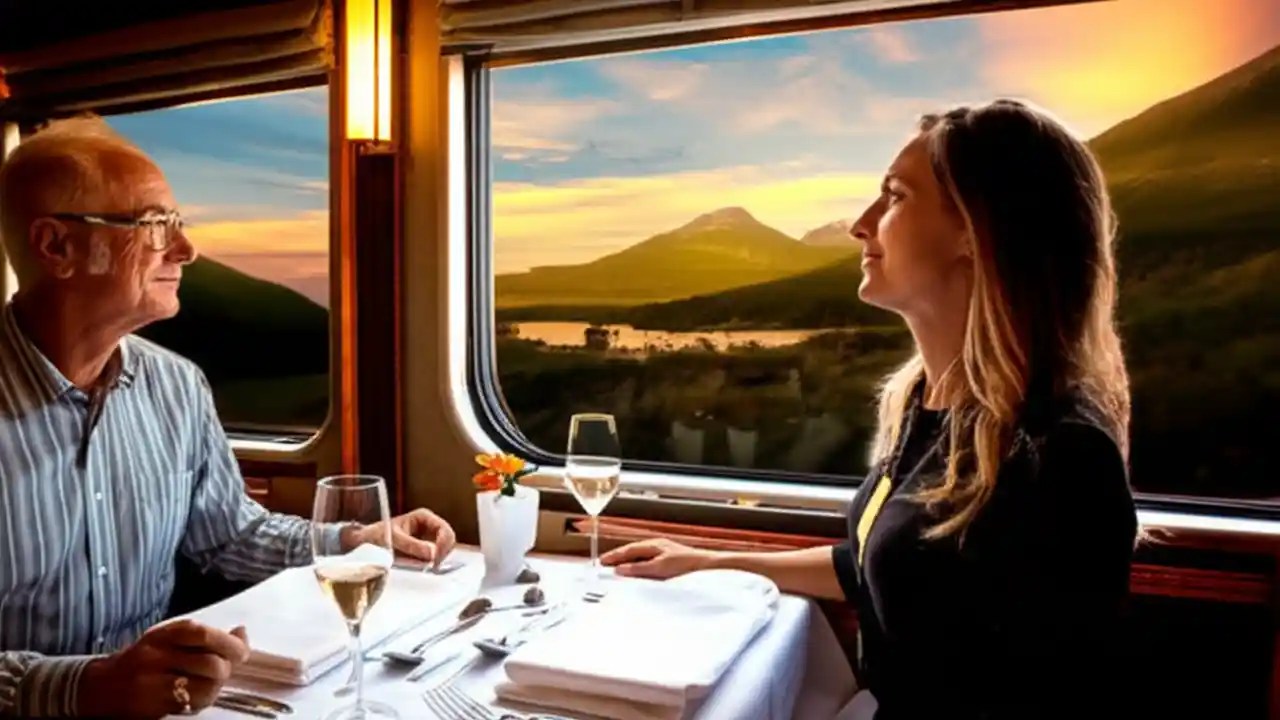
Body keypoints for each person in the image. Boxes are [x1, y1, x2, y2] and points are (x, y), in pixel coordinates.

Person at [602, 99, 1138, 719]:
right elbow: (884, 565)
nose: (862, 224)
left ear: (975, 230)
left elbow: (1061, 691)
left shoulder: (1059, 454)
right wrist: (704, 562)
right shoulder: (927, 404)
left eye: (896, 197)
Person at [0, 117, 457, 718]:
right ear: (56, 246)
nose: (186, 250)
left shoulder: (177, 387)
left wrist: (352, 540)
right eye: (155, 225)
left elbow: (230, 535)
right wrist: (83, 689)